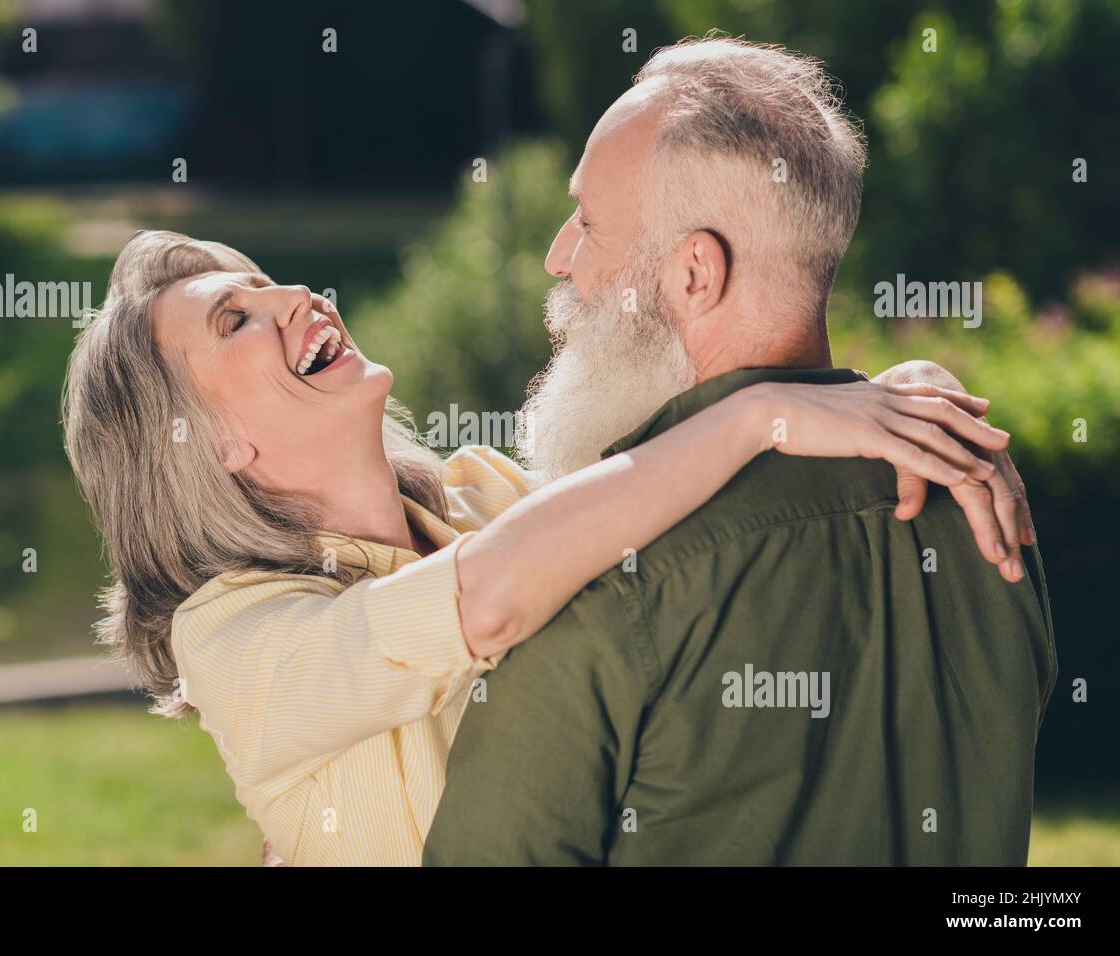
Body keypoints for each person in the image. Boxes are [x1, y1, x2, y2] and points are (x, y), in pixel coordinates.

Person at [421, 37, 1056, 866]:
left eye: (588, 222)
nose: (558, 256)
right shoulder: (978, 505)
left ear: (694, 275)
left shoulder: (594, 571)